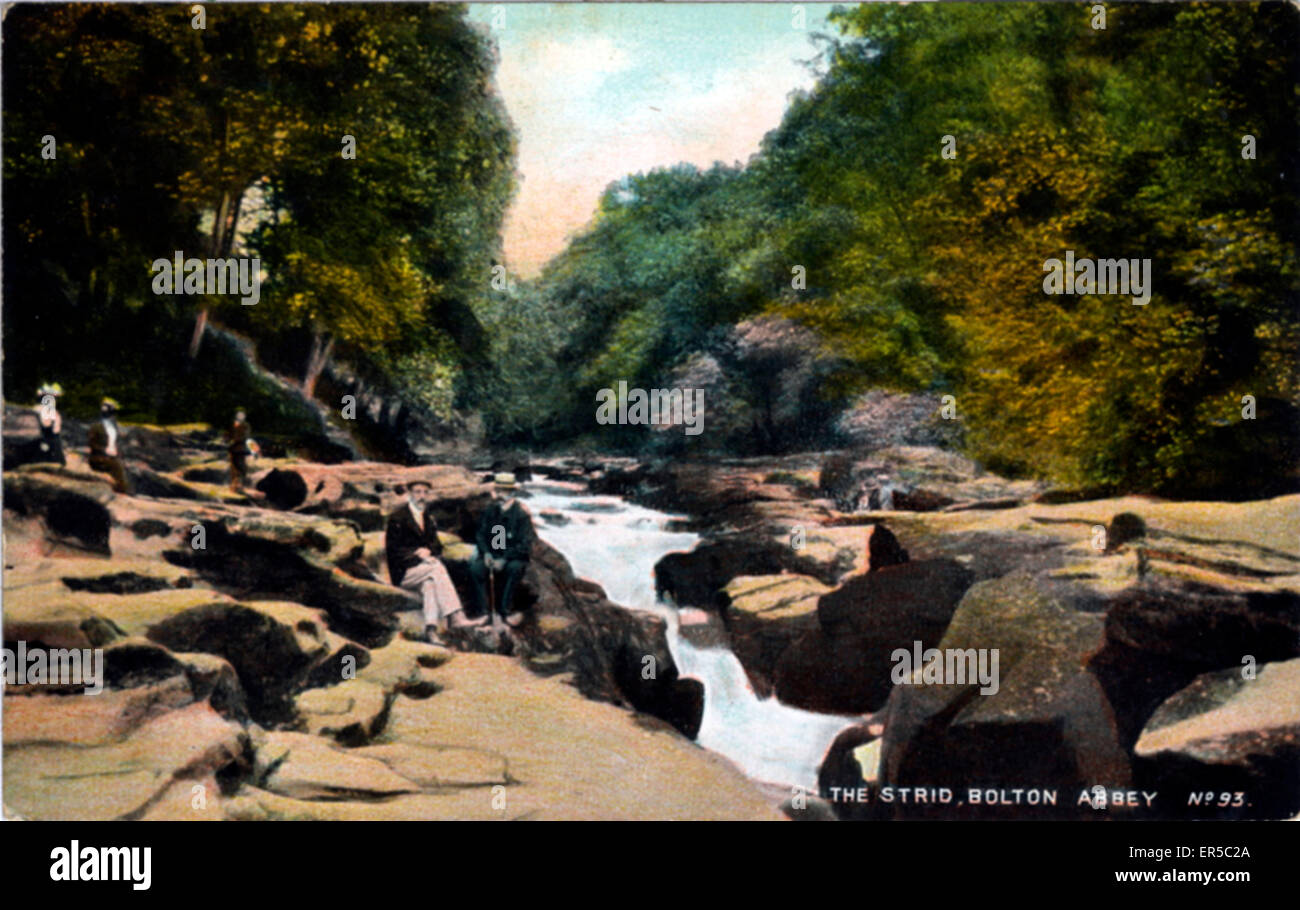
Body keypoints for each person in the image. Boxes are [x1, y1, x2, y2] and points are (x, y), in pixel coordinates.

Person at [385, 479, 484, 645]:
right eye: (417, 492)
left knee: (430, 583)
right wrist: (417, 555)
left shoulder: (428, 518)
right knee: (436, 568)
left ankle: (430, 631)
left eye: (425, 492)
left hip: (423, 571)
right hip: (403, 572)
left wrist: (429, 551)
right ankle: (456, 617)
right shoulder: (398, 518)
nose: (421, 496)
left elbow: (437, 546)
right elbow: (392, 550)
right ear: (409, 494)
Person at [468, 473, 535, 629]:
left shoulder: (521, 514)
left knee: (513, 569)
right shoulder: (490, 510)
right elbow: (480, 534)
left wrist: (504, 559)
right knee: (475, 569)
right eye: (498, 490)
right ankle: (484, 611)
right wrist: (486, 553)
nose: (500, 494)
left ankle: (504, 611)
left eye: (504, 491)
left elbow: (524, 545)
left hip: (513, 557)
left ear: (512, 492)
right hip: (492, 555)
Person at [87, 397, 129, 493]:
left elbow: (114, 443)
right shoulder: (96, 426)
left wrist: (115, 452)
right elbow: (92, 444)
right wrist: (104, 451)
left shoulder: (113, 427)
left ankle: (123, 490)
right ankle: (122, 492)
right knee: (117, 467)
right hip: (98, 457)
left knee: (121, 466)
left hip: (109, 457)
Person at [34, 383, 65, 466]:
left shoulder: (51, 411)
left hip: (51, 437)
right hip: (47, 437)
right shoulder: (41, 409)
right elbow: (47, 426)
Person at [226, 408, 251, 492]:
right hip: (234, 449)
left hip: (240, 449)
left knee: (241, 468)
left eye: (242, 415)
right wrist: (228, 440)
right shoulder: (234, 425)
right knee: (234, 468)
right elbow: (229, 435)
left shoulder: (246, 425)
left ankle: (239, 486)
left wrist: (234, 440)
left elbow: (245, 436)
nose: (240, 417)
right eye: (239, 415)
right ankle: (234, 486)